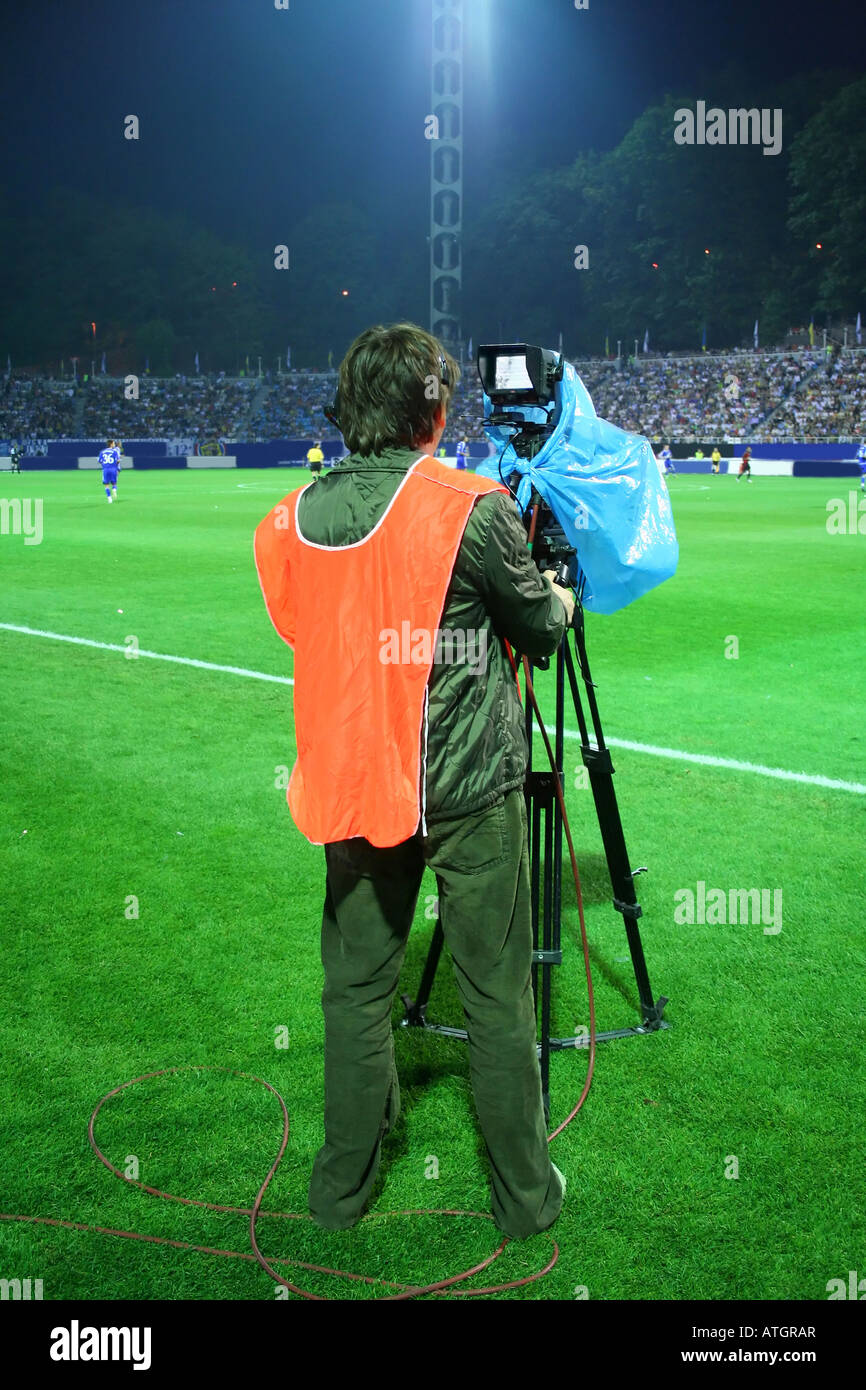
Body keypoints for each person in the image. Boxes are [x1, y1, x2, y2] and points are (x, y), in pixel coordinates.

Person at [254, 321, 573, 1242]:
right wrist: (558, 593)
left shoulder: (293, 515)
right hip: (468, 789)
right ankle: (525, 1199)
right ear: (433, 411)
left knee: (355, 996)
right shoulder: (471, 506)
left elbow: (301, 628)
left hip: (356, 783)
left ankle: (339, 1195)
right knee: (496, 996)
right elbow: (541, 632)